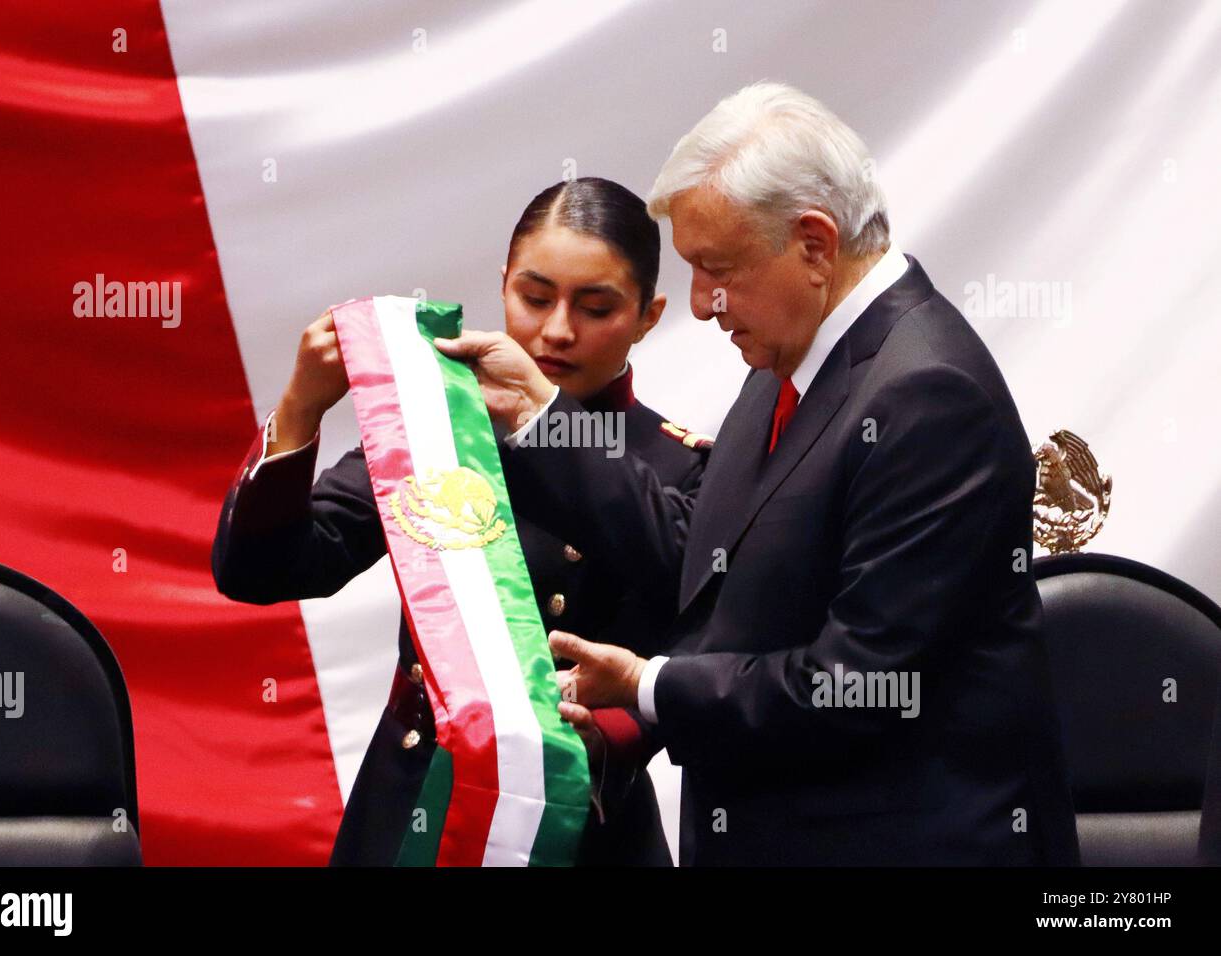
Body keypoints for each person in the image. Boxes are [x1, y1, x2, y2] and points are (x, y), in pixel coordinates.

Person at [438, 83, 1081, 866]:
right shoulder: (791, 362)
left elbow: (856, 685)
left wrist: (648, 684)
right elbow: (699, 558)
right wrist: (543, 415)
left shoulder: (925, 392)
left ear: (814, 244)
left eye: (717, 268)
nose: (703, 304)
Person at [211, 177, 709, 866]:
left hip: (581, 817)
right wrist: (301, 409)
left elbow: (703, 638)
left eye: (596, 308)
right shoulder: (439, 425)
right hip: (416, 801)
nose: (557, 329)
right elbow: (262, 572)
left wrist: (604, 737)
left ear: (650, 316)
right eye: (534, 298)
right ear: (502, 283)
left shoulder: (680, 465)